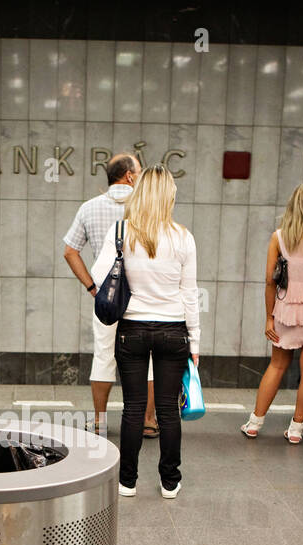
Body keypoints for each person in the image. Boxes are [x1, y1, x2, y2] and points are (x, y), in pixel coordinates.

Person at [89, 165, 198, 497]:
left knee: (133, 407)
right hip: (173, 330)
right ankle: (169, 481)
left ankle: (128, 480)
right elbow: (189, 293)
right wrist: (195, 340)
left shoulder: (121, 231)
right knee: (167, 409)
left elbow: (97, 274)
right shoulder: (183, 236)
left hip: (131, 329)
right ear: (168, 198)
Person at [63, 153, 158, 437]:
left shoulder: (89, 208)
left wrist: (93, 288)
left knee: (104, 355)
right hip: (143, 295)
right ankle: (148, 421)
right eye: (139, 172)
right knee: (149, 358)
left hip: (107, 297)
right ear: (129, 176)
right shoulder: (148, 208)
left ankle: (100, 421)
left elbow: (70, 251)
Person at [241, 182, 303, 443]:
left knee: (276, 365)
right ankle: (296, 430)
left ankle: (254, 423)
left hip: (285, 309)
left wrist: (269, 317)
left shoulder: (279, 236)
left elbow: (269, 281)